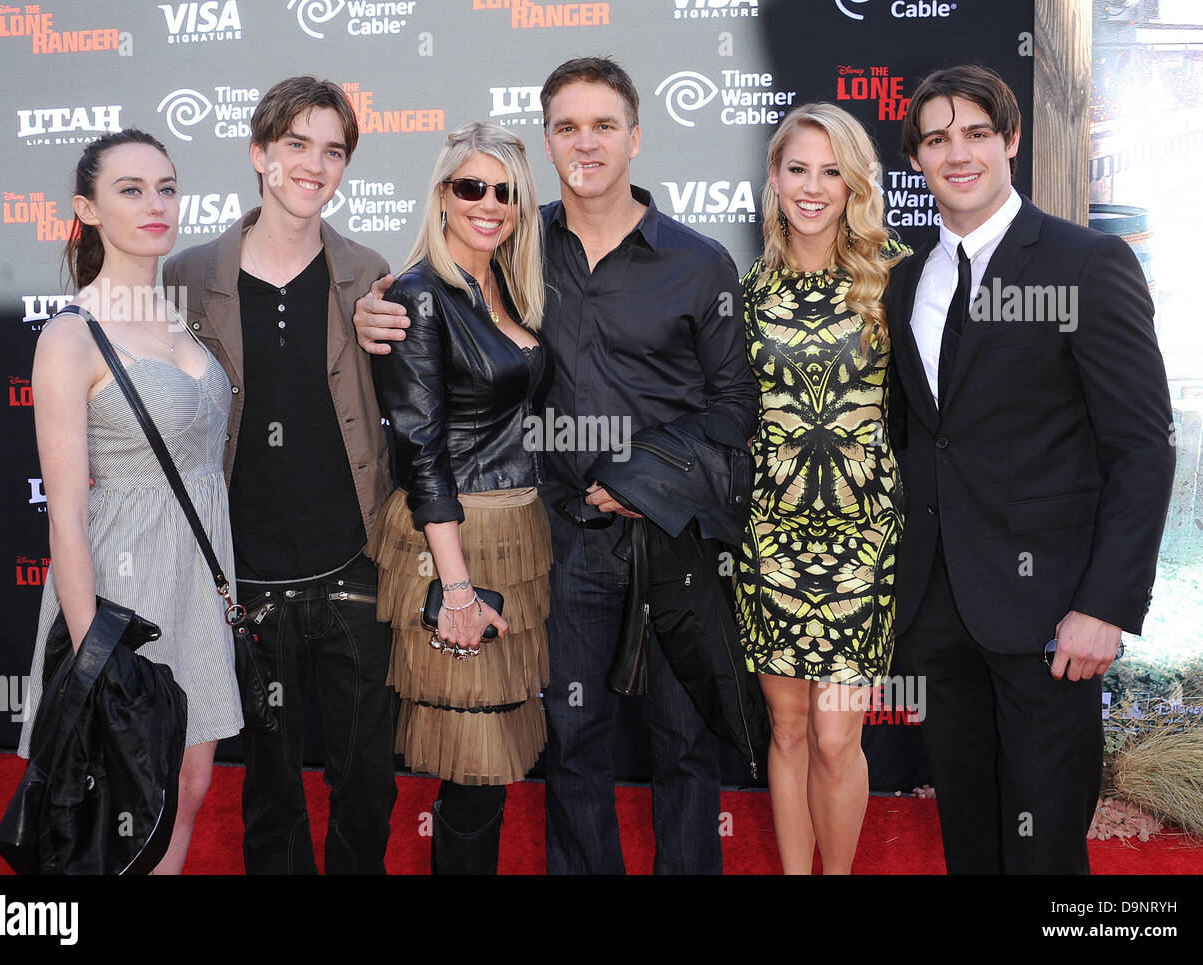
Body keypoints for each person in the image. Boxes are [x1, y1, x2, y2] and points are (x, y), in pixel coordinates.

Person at [356, 57, 758, 875]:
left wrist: (647, 481)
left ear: (635, 137)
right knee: (574, 743)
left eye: (604, 124)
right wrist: (377, 306)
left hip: (673, 541)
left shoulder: (699, 262)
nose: (587, 142)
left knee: (685, 746)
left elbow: (735, 408)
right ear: (547, 140)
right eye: (567, 127)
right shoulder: (514, 245)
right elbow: (438, 298)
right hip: (562, 540)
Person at [887, 64, 1175, 873]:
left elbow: (1142, 446)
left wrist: (1105, 607)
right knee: (971, 841)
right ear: (917, 159)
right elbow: (923, 439)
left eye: (977, 133)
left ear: (1011, 141)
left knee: (1046, 850)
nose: (960, 154)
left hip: (1053, 617)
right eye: (938, 139)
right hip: (941, 612)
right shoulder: (909, 280)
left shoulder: (1087, 263)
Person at [163, 76, 396, 875]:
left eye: (333, 150)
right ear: (259, 154)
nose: (314, 164)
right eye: (296, 143)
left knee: (367, 784)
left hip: (357, 572)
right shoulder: (188, 279)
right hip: (246, 578)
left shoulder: (370, 274)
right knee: (269, 791)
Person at [18, 128, 243, 874]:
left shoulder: (185, 317)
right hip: (124, 594)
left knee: (189, 784)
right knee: (127, 796)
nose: (156, 204)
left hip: (199, 582)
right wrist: (95, 657)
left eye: (167, 187)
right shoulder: (70, 335)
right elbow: (68, 514)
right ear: (87, 208)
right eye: (131, 189)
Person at [368, 121, 550, 874]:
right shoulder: (418, 296)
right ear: (442, 194)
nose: (490, 203)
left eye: (505, 191)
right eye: (471, 186)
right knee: (473, 766)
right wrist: (458, 587)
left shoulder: (507, 281)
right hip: (456, 538)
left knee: (495, 762)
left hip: (519, 529)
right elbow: (421, 452)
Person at [736, 103, 907, 874]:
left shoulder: (892, 276)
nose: (813, 187)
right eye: (797, 169)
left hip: (863, 532)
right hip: (771, 532)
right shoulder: (746, 291)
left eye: (831, 170)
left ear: (853, 182)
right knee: (790, 728)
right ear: (774, 179)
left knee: (840, 734)